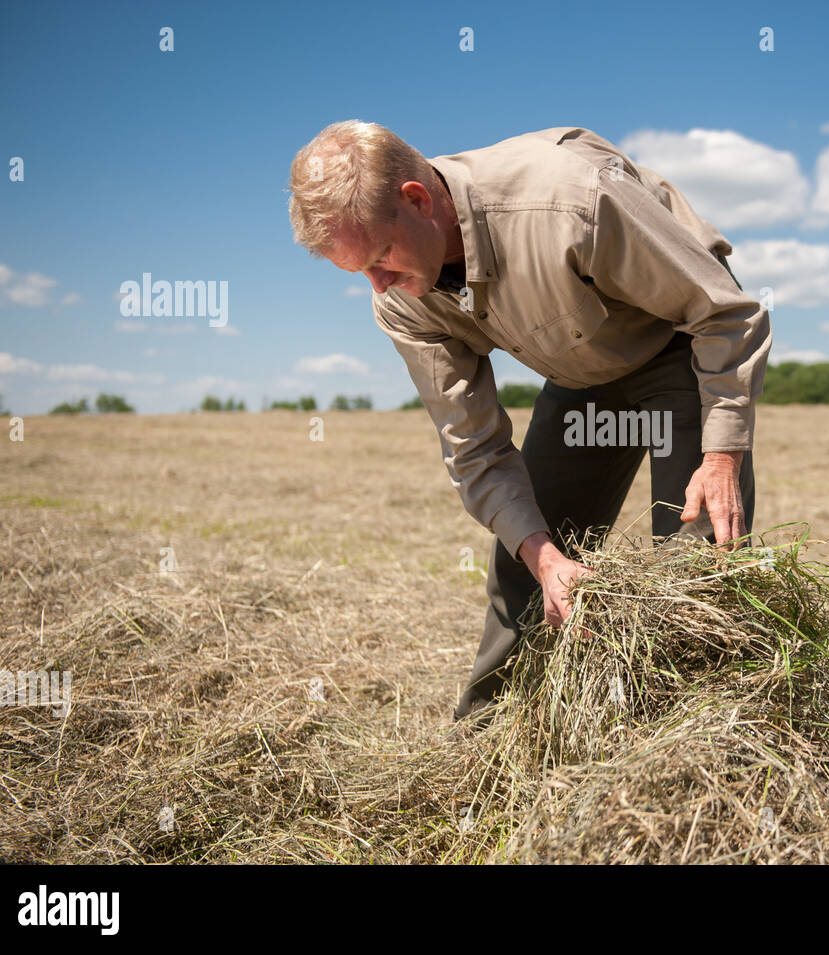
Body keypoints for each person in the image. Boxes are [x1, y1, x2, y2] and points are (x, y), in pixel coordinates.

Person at [288, 121, 771, 720]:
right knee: (528, 558)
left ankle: (705, 743)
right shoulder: (399, 298)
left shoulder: (571, 200)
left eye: (381, 257)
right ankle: (487, 742)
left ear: (417, 200)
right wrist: (544, 558)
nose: (378, 286)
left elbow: (726, 313)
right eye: (357, 270)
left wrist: (722, 455)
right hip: (581, 378)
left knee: (698, 555)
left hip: (682, 347)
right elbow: (474, 449)